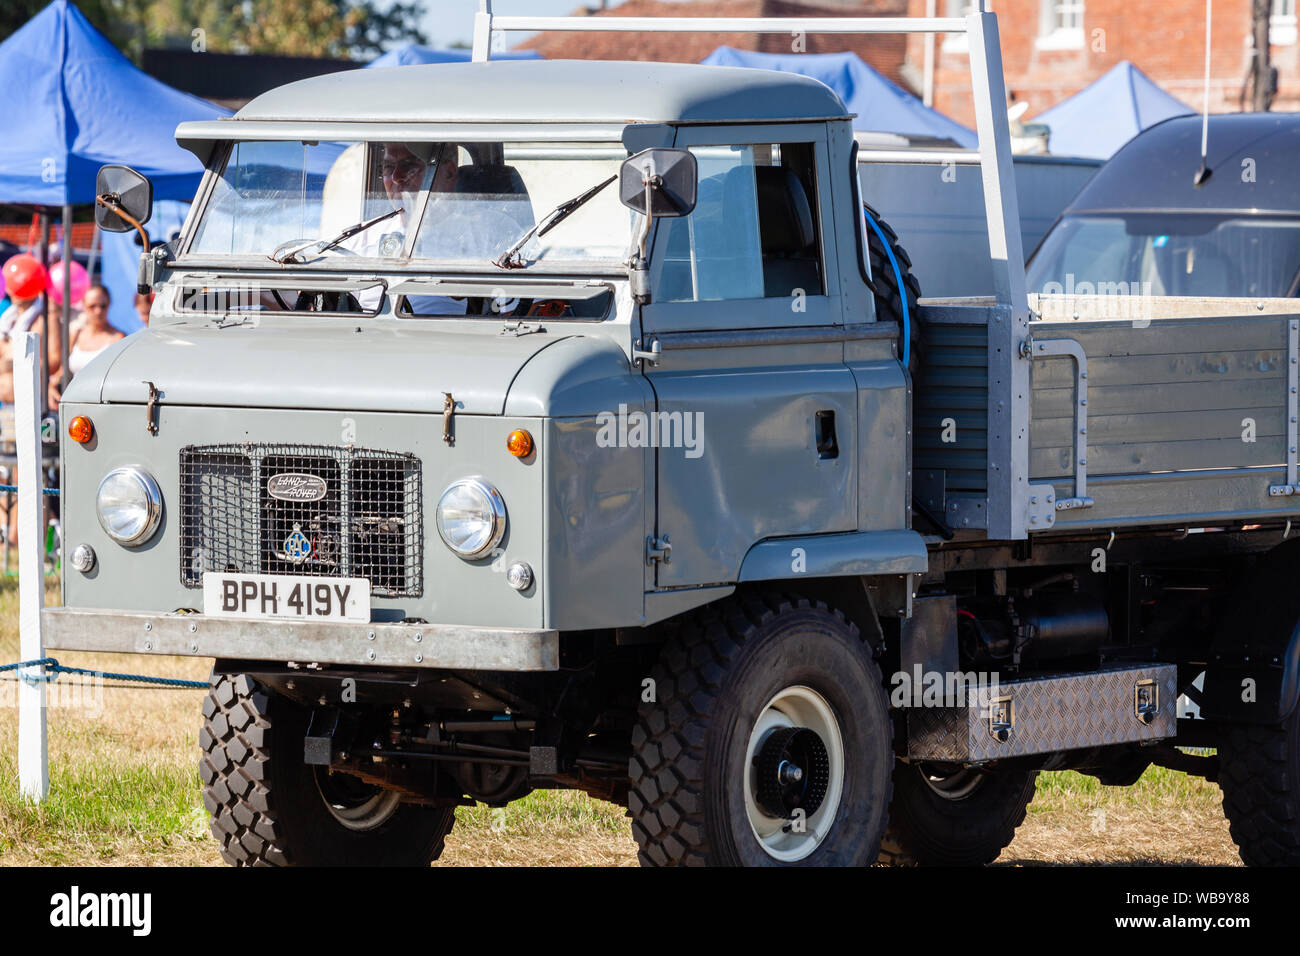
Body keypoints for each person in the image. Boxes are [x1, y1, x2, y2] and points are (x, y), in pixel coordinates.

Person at [47, 285, 124, 411]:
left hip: (101, 407)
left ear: (109, 304)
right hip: (75, 405)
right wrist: (51, 388)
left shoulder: (117, 338)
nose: (98, 311)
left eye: (102, 306)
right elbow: (62, 370)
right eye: (92, 306)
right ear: (84, 306)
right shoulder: (76, 334)